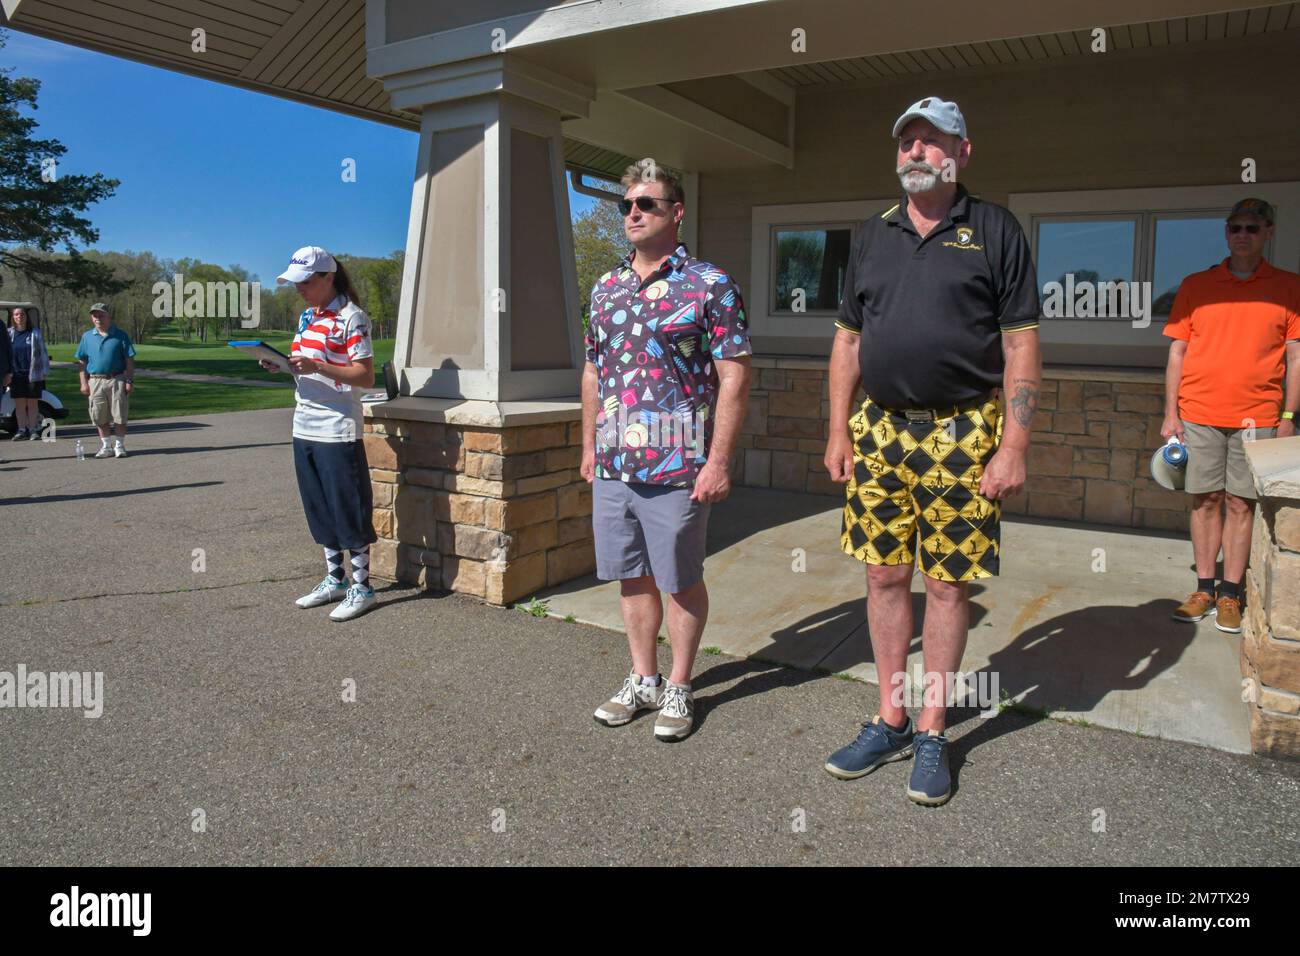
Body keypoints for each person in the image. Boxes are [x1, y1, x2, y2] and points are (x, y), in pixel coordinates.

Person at [822, 97, 1041, 805]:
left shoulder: (995, 230)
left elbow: (1020, 344)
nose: (916, 150)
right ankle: (890, 718)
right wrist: (836, 429)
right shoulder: (872, 234)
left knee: (948, 586)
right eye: (907, 141)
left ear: (963, 151)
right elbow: (848, 339)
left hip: (963, 433)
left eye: (932, 140)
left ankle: (933, 729)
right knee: (885, 578)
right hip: (879, 430)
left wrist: (1014, 443)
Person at [583, 160, 753, 741]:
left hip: (678, 462)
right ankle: (642, 678)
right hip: (613, 460)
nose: (633, 213)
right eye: (627, 205)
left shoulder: (709, 284)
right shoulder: (605, 288)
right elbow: (593, 371)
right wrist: (588, 446)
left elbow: (734, 376)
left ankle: (680, 685)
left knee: (678, 577)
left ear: (675, 213)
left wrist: (719, 460)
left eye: (646, 204)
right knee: (630, 576)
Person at [1162, 198, 1300, 634]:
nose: (1243, 235)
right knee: (1205, 500)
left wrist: (1289, 415)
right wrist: (1171, 413)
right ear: (1226, 233)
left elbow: (1296, 358)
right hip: (1199, 414)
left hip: (1258, 417)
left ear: (1269, 233)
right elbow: (1177, 351)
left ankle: (1230, 594)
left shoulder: (1289, 287)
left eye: (1252, 229)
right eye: (1236, 228)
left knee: (1242, 504)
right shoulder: (1196, 286)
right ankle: (1203, 589)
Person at [261, 246, 378, 622]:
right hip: (304, 423)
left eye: (306, 282)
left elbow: (365, 375)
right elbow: (306, 368)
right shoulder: (306, 317)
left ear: (328, 277)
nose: (300, 289)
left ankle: (362, 586)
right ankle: (335, 579)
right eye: (296, 283)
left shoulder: (352, 318)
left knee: (347, 506)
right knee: (319, 506)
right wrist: (283, 366)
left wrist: (320, 365)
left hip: (337, 426)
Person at [74, 303, 135, 459]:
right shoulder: (87, 337)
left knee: (119, 414)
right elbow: (82, 362)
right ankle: (106, 446)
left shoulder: (120, 335)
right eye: (95, 315)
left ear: (109, 317)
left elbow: (129, 360)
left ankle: (119, 446)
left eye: (101, 315)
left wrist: (129, 380)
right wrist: (83, 382)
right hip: (95, 380)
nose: (98, 318)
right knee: (99, 414)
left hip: (117, 379)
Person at [7, 307, 52, 440]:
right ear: (13, 318)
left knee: (32, 404)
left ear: (26, 317)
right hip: (16, 374)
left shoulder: (35, 333)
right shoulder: (9, 333)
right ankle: (21, 430)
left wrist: (45, 371)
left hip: (34, 374)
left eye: (22, 314)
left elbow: (43, 353)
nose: (19, 316)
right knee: (20, 404)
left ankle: (33, 430)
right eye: (16, 314)